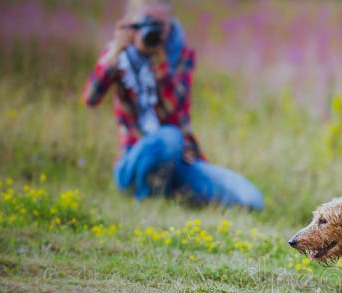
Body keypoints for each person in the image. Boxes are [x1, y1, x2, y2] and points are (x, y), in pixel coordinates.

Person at [82, 0, 263, 210]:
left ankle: (168, 192)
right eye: (148, 22)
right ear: (132, 23)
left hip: (179, 159)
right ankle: (147, 198)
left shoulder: (182, 55)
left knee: (251, 199)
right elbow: (90, 98)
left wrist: (160, 64)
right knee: (169, 137)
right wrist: (115, 52)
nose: (155, 30)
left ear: (170, 23)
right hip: (133, 158)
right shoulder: (118, 54)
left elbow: (174, 110)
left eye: (161, 25)